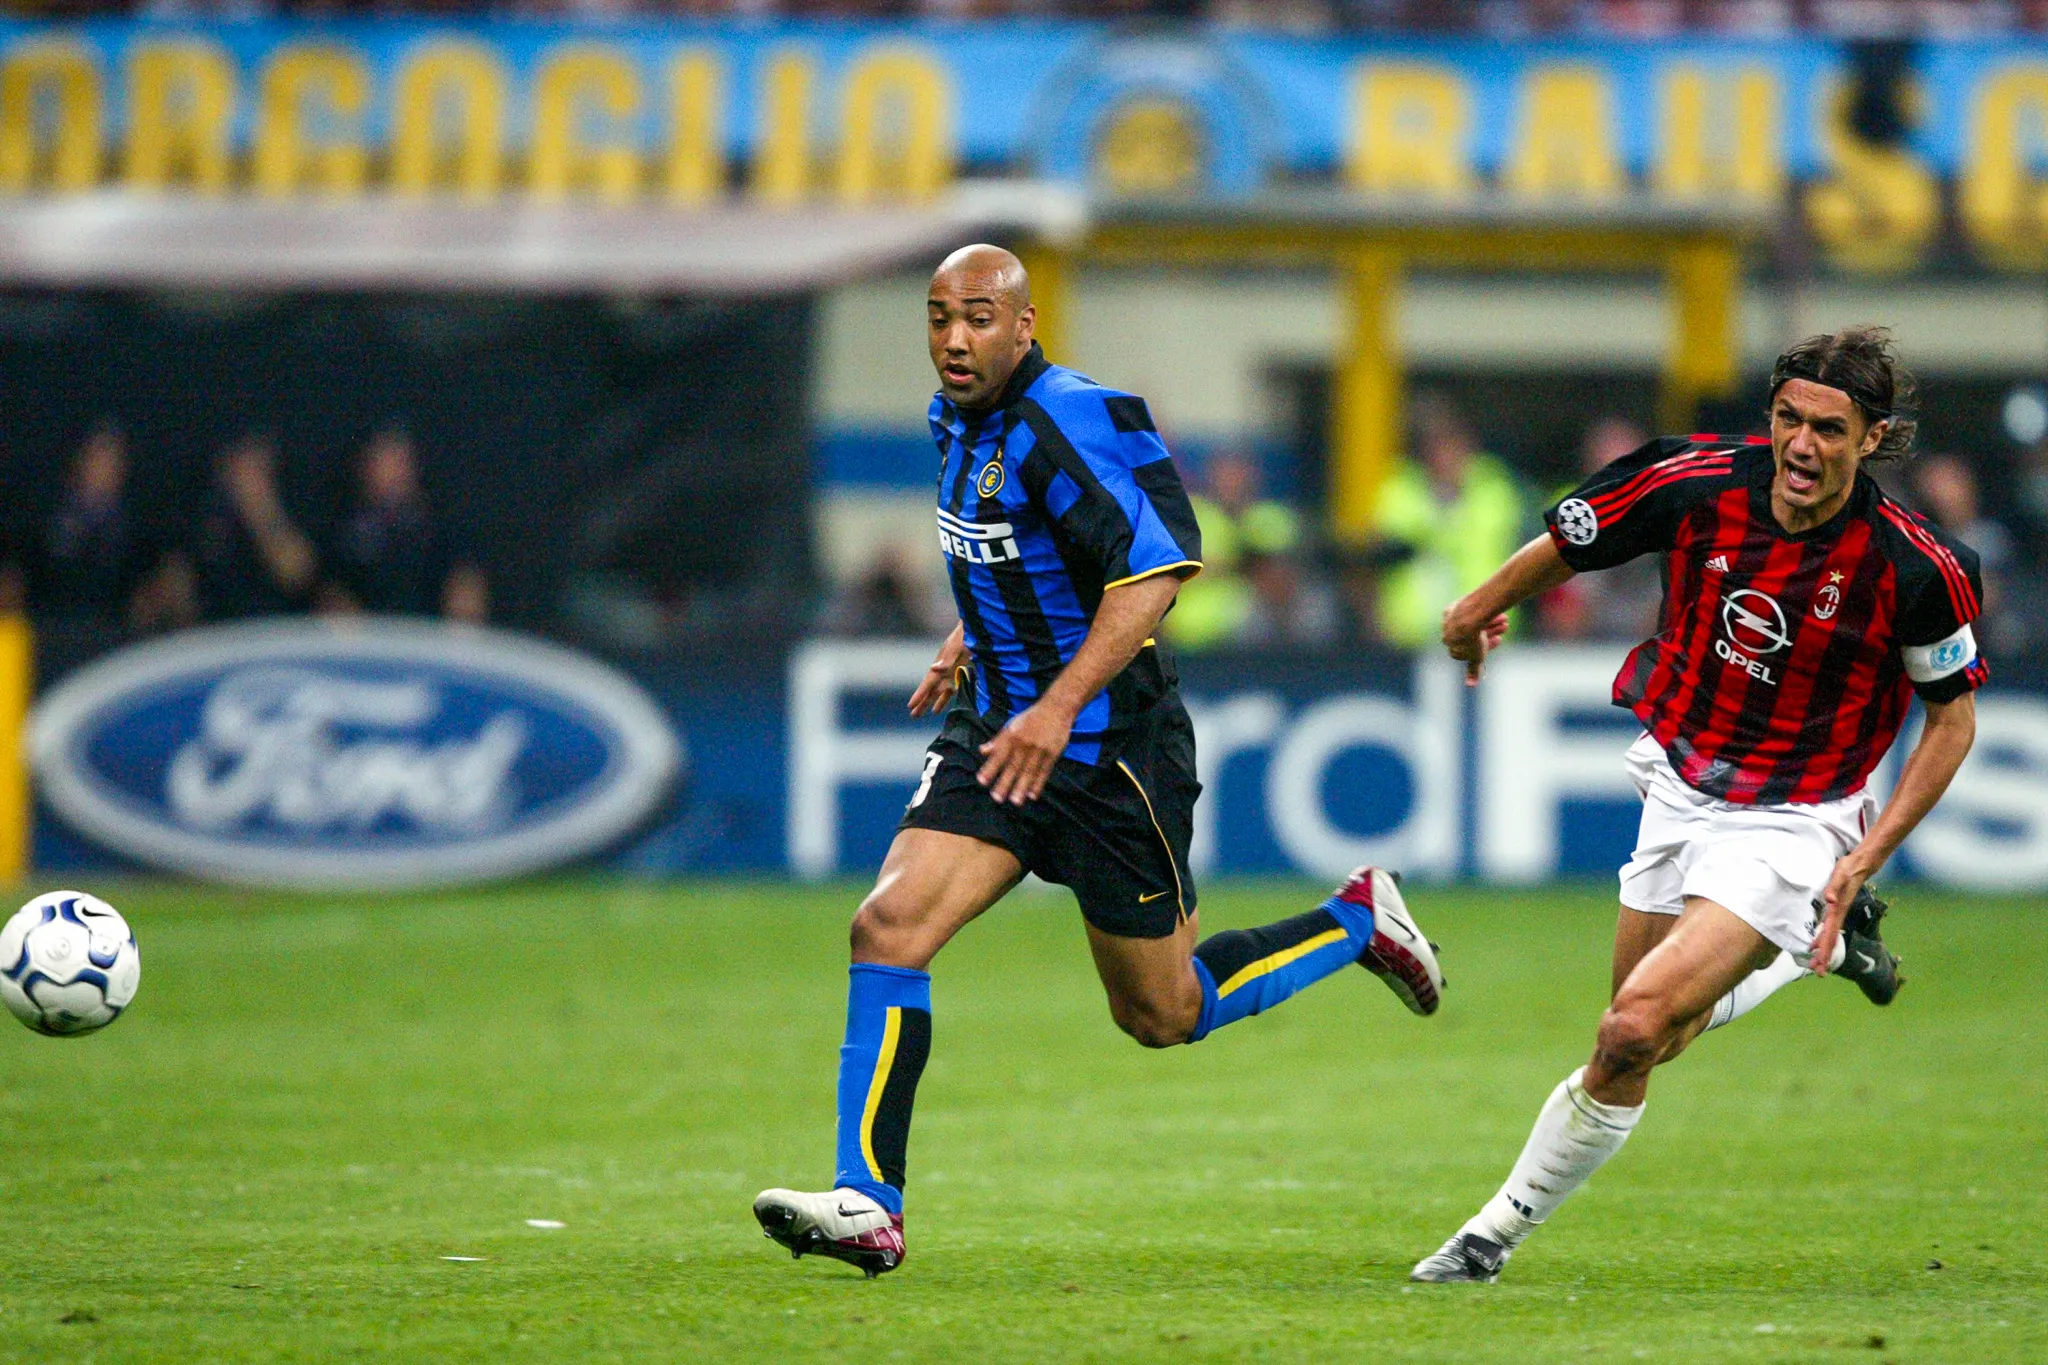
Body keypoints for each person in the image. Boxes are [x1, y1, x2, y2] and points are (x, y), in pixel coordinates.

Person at [752, 245, 1447, 1278]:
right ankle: (869, 1202)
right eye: (939, 317)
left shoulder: (1070, 418)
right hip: (998, 737)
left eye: (978, 316)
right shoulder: (956, 417)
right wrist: (970, 639)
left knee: (1162, 1013)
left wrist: (1059, 704)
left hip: (1107, 756)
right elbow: (1026, 553)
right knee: (886, 928)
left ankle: (1355, 920)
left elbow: (1154, 572)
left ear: (1024, 324)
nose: (954, 339)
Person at [1413, 326, 1984, 1283]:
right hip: (1681, 781)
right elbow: (1571, 541)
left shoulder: (1916, 566)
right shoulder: (1694, 480)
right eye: (1790, 419)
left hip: (1799, 814)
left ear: (1874, 438)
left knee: (1629, 1028)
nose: (1803, 445)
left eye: (1830, 429)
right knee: (1647, 1041)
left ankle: (1485, 1239)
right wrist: (1476, 608)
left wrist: (1863, 856)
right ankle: (1814, 949)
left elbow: (1952, 720)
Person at [1364, 394, 1526, 650]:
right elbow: (1376, 560)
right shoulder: (1401, 490)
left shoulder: (1494, 488)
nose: (1446, 456)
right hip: (1413, 637)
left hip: (1486, 632)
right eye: (1438, 447)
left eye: (1452, 445)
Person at [321, 426, 488, 622]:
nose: (394, 472)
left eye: (400, 462)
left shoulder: (439, 528)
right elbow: (327, 589)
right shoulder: (344, 531)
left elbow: (465, 582)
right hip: (366, 636)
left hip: (431, 633)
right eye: (384, 461)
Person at [180, 435, 319, 622]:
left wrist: (258, 505)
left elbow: (296, 575)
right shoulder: (204, 509)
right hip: (215, 628)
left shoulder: (296, 498)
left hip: (279, 625)